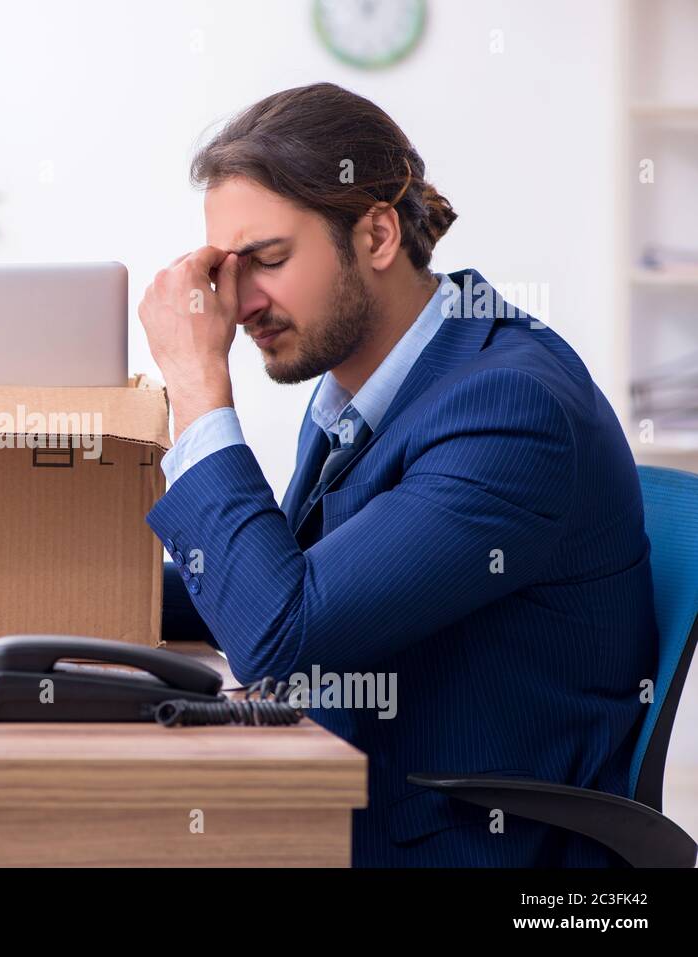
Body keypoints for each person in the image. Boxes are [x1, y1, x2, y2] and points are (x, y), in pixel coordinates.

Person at [138, 82, 656, 867]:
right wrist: (89, 593)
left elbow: (285, 636)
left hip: (468, 846)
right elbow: (291, 588)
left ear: (378, 234)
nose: (238, 303)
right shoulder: (364, 380)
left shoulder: (509, 409)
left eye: (268, 259)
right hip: (355, 793)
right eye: (224, 268)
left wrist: (199, 396)